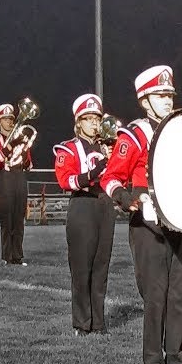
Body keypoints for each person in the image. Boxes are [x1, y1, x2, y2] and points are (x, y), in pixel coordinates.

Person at [99, 64, 182, 364]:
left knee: (181, 293)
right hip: (148, 222)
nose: (167, 100)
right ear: (145, 100)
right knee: (156, 295)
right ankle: (154, 363)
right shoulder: (135, 133)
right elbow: (111, 177)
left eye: (169, 94)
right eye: (160, 95)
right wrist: (129, 200)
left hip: (181, 217)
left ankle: (178, 360)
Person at [51, 93, 115, 335]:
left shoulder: (107, 146)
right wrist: (95, 171)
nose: (94, 124)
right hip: (82, 206)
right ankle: (81, 323)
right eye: (88, 119)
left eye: (96, 119)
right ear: (78, 122)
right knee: (81, 267)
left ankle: (98, 323)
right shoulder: (68, 148)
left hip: (104, 205)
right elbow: (65, 180)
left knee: (101, 266)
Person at [0, 102, 33, 265]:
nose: (10, 122)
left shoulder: (21, 139)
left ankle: (17, 256)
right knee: (7, 219)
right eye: (5, 119)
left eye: (11, 119)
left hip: (19, 177)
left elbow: (28, 165)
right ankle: (7, 256)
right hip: (4, 178)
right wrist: (12, 143)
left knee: (19, 218)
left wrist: (25, 149)